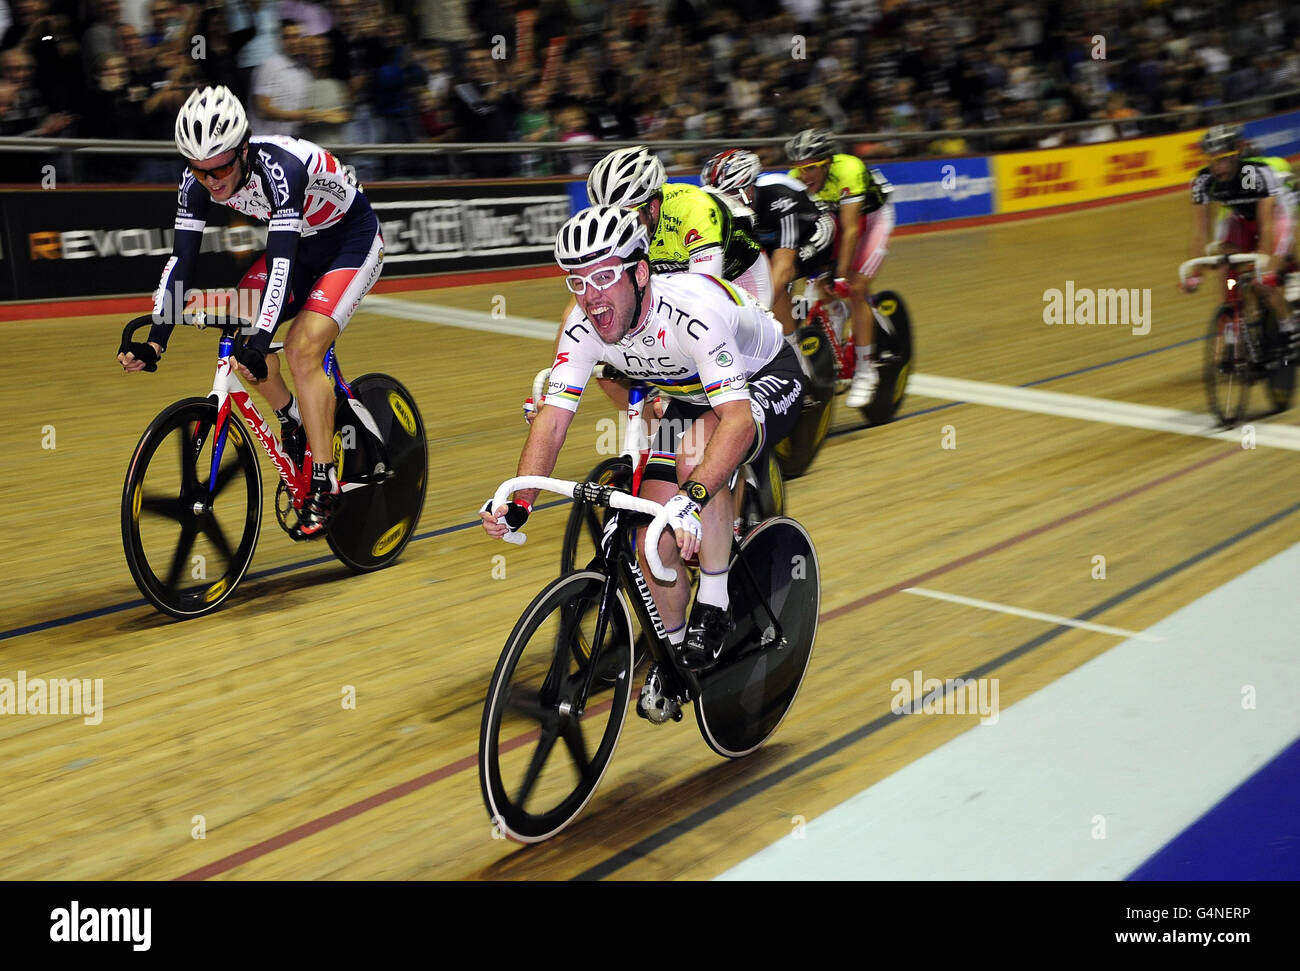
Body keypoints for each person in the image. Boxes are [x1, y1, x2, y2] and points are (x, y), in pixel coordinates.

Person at [481, 206, 805, 682]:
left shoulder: (690, 314)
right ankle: (675, 659)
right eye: (578, 282)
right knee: (650, 539)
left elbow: (734, 420)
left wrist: (692, 499)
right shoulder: (583, 324)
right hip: (690, 395)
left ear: (639, 273)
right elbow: (552, 421)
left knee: (695, 460)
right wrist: (520, 500)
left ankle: (714, 599)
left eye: (604, 277)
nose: (591, 298)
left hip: (762, 378)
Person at [117, 85, 384, 540]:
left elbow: (280, 260)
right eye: (199, 171)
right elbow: (181, 260)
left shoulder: (283, 168)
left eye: (221, 166)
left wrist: (264, 339)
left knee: (300, 351)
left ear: (243, 149)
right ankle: (295, 418)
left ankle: (325, 480)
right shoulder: (196, 183)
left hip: (350, 242)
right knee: (242, 340)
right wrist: (158, 335)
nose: (212, 180)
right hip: (303, 248)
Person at [785, 128, 896, 408]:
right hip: (834, 218)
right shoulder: (794, 182)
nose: (804, 175)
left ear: (827, 163)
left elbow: (850, 231)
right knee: (819, 282)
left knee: (856, 287)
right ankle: (837, 312)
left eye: (810, 168)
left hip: (871, 218)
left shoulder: (848, 169)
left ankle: (866, 371)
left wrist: (842, 276)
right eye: (799, 168)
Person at [700, 148, 835, 361]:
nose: (728, 203)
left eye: (734, 195)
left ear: (750, 188)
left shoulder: (779, 196)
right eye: (721, 197)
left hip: (813, 232)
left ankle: (797, 360)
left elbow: (783, 269)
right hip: (773, 239)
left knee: (777, 283)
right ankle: (795, 319)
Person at [1184, 124, 1299, 358]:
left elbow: (1267, 224)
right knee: (1226, 264)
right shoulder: (1202, 180)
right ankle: (1232, 325)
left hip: (1275, 217)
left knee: (1264, 281)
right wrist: (1195, 270)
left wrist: (1266, 263)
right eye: (1212, 160)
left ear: (1236, 154)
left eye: (1223, 159)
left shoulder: (1258, 173)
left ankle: (1289, 327)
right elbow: (1200, 230)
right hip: (1241, 219)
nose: (1217, 167)